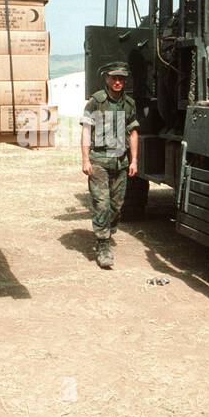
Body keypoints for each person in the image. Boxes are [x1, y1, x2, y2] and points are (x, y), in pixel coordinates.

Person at [79, 61, 139, 269]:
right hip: (99, 160)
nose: (117, 82)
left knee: (116, 205)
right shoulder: (96, 101)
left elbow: (133, 132)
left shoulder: (129, 104)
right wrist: (86, 159)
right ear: (106, 78)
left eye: (121, 78)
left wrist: (134, 160)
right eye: (114, 78)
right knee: (101, 203)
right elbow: (86, 130)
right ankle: (103, 243)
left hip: (120, 161)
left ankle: (108, 231)